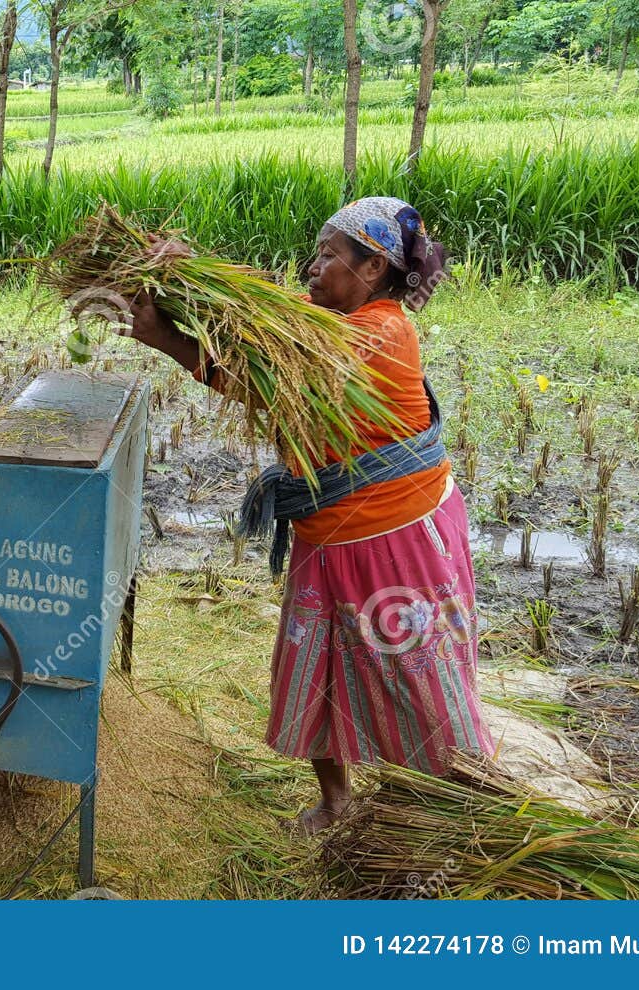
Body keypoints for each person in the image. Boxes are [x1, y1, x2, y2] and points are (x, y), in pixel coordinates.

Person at [122, 196, 495, 833]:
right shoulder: (329, 327)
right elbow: (259, 375)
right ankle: (337, 798)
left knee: (411, 667)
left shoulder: (382, 330)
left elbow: (272, 358)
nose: (314, 267)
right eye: (316, 253)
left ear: (374, 269)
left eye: (330, 255)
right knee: (313, 659)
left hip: (392, 537)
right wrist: (168, 332)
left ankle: (459, 804)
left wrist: (187, 288)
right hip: (329, 533)